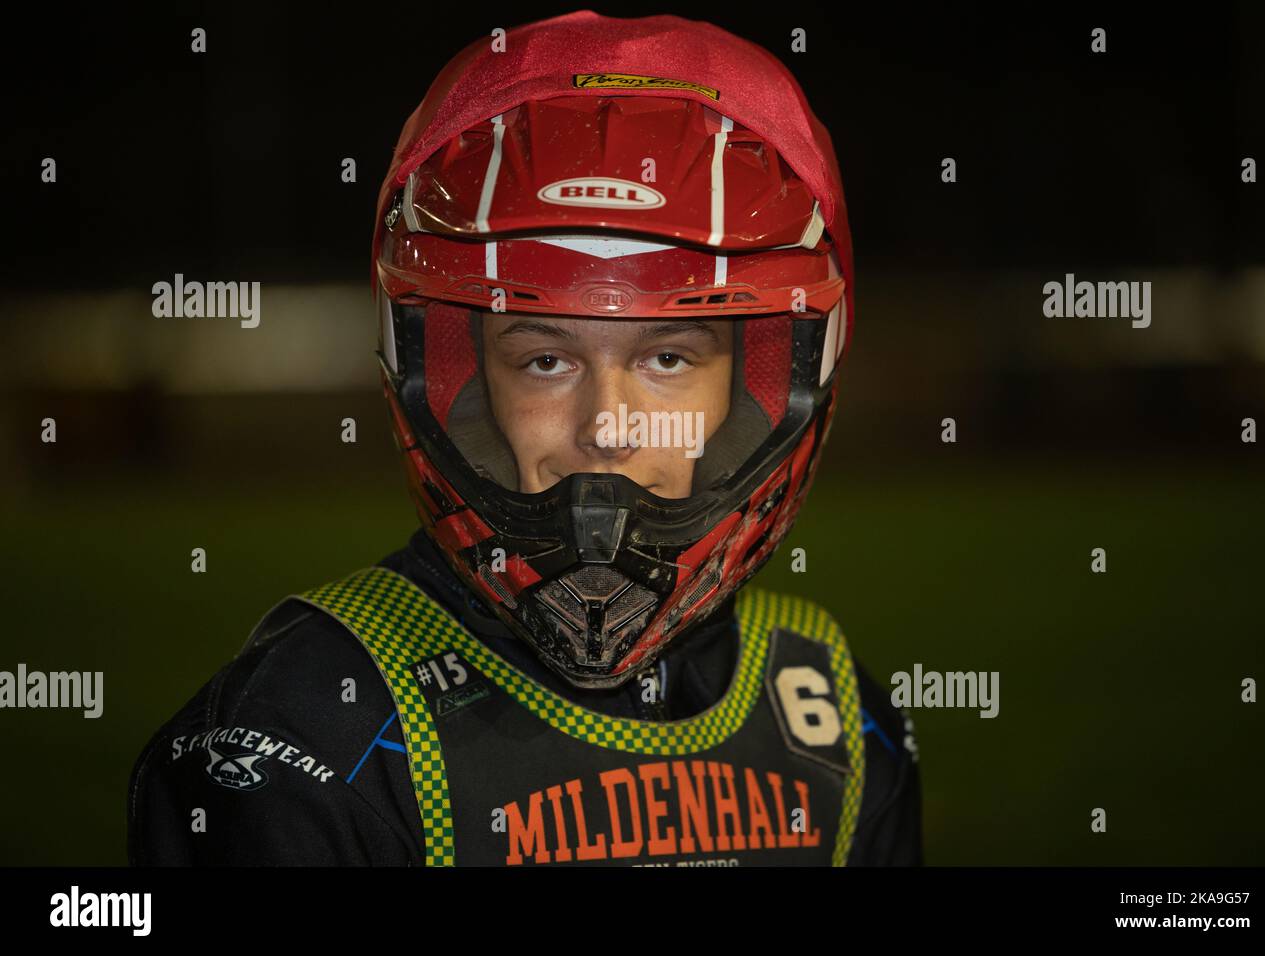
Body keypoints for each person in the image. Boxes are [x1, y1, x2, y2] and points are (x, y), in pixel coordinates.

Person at [127, 10, 921, 867]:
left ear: (758, 386)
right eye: (545, 359)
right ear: (461, 379)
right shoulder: (301, 744)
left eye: (666, 356)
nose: (607, 428)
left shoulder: (838, 726)